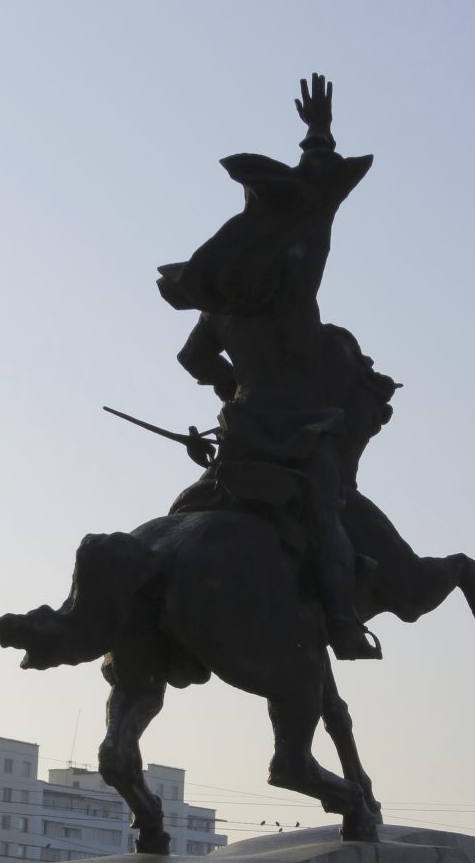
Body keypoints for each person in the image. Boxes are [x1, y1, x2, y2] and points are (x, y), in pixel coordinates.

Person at [157, 75, 382, 660]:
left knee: (193, 505)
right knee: (327, 520)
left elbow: (191, 358)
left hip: (245, 429)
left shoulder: (224, 309)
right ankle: (343, 621)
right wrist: (319, 136)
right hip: (304, 433)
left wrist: (229, 389)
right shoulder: (295, 300)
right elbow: (318, 212)